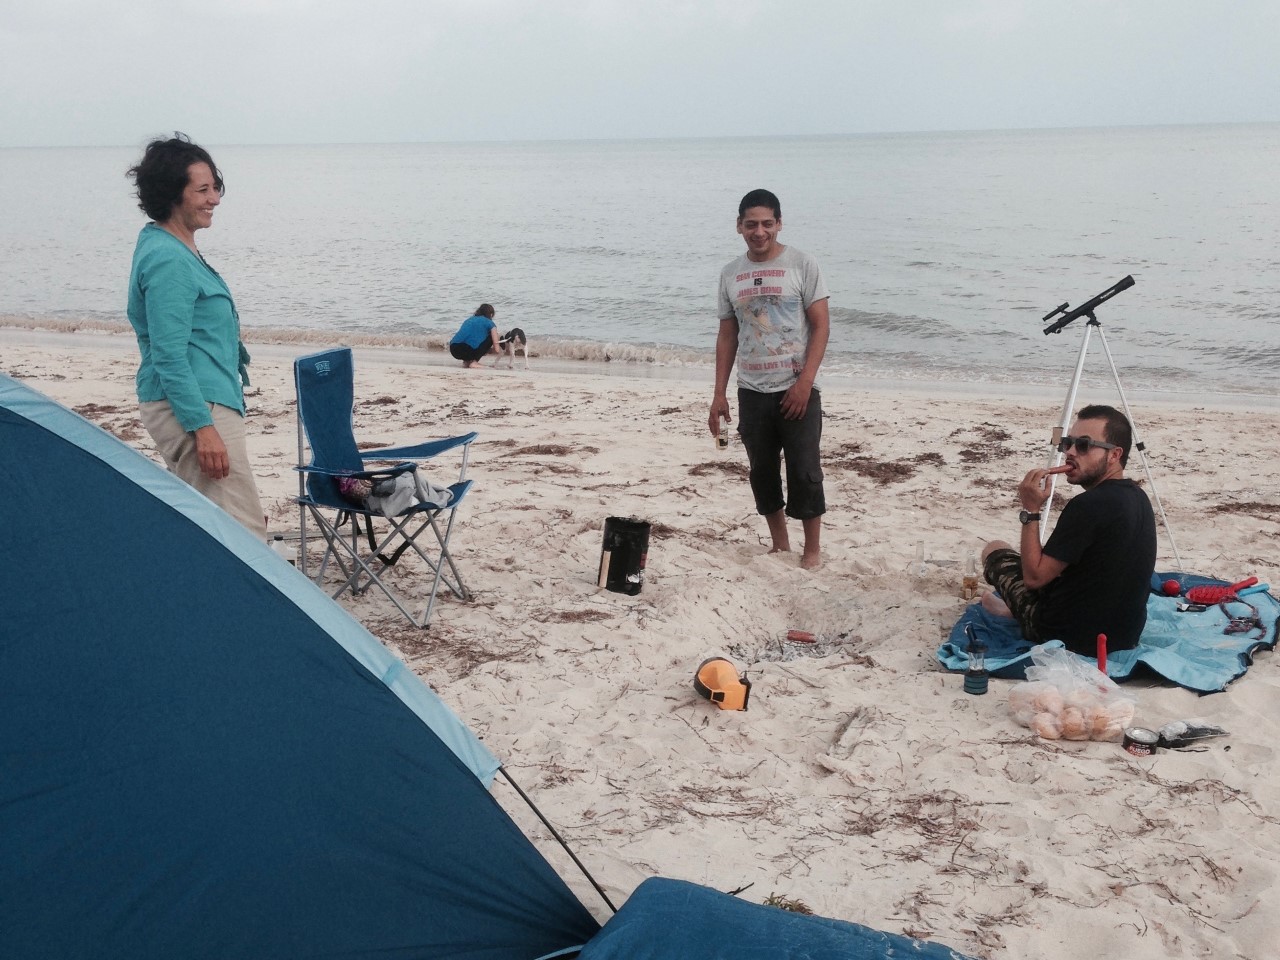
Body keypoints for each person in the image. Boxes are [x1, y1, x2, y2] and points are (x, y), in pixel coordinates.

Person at [125, 133, 267, 541]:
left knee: (221, 528)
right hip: (194, 407)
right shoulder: (168, 259)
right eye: (202, 189)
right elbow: (169, 356)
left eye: (215, 187)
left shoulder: (169, 244)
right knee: (240, 536)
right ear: (173, 194)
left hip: (203, 400)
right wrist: (203, 428)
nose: (215, 198)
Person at [708, 189, 831, 570]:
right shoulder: (730, 273)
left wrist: (804, 383)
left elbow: (821, 325)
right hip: (752, 389)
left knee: (805, 471)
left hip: (797, 388)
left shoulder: (802, 264)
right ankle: (780, 544)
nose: (759, 231)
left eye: (766, 223)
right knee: (761, 470)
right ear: (739, 227)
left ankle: (812, 551)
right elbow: (728, 335)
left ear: (778, 223)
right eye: (751, 224)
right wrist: (718, 395)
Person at [980, 404, 1157, 655]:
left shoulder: (1087, 505)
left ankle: (1016, 612)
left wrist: (1030, 511)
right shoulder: (1139, 497)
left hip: (1069, 636)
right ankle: (1013, 608)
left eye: (1084, 445)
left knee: (995, 549)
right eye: (1068, 443)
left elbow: (1034, 578)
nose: (1071, 452)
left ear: (1115, 455)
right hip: (1124, 637)